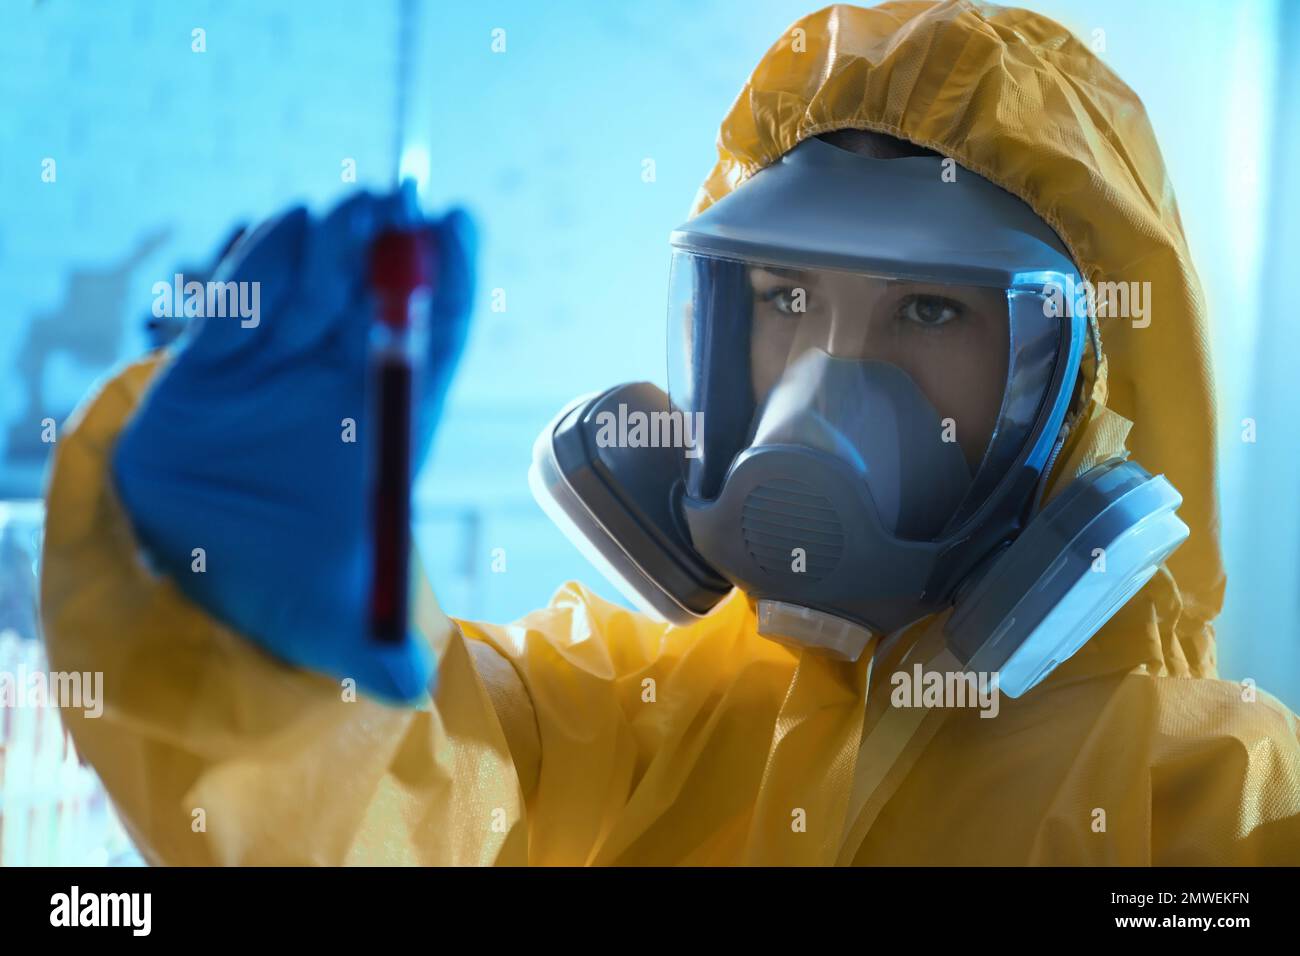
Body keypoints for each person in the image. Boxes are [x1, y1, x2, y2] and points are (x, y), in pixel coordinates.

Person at [41, 1, 1300, 865]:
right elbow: (392, 805)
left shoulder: (1202, 798)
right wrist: (256, 627)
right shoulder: (626, 716)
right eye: (784, 299)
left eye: (929, 308)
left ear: (1073, 384)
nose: (825, 374)